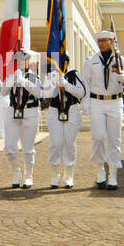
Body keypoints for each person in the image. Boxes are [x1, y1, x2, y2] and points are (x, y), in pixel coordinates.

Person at [83, 31, 124, 189]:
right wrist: (85, 104)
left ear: (111, 41)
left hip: (115, 101)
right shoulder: (91, 61)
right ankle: (100, 170)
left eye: (104, 41)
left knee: (114, 139)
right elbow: (86, 83)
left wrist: (122, 77)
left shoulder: (121, 60)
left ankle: (113, 174)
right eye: (99, 41)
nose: (101, 44)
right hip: (97, 101)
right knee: (98, 137)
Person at [42, 53, 88, 188]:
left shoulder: (74, 75)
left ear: (67, 63)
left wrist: (66, 85)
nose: (59, 66)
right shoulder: (50, 76)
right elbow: (44, 94)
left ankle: (69, 175)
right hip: (54, 110)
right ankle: (55, 174)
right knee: (56, 143)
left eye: (62, 63)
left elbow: (81, 93)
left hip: (72, 110)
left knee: (69, 143)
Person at [2, 50, 43, 188]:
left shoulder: (33, 76)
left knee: (28, 147)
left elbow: (39, 93)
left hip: (30, 112)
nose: (20, 63)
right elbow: (2, 92)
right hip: (13, 112)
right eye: (17, 60)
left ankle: (28, 176)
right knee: (9, 147)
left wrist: (23, 81)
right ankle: (16, 172)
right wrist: (11, 80)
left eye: (23, 60)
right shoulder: (12, 76)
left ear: (28, 61)